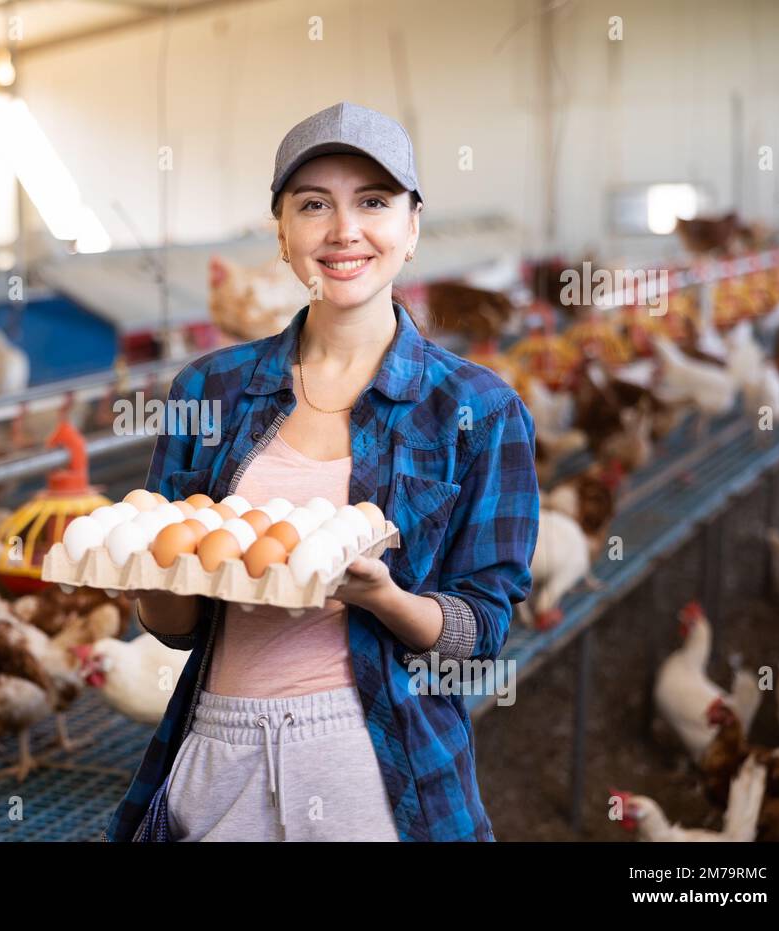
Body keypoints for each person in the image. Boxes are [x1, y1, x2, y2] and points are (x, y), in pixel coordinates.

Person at [104, 101, 539, 842]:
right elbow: (175, 629)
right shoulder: (209, 391)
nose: (344, 230)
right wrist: (152, 567)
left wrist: (387, 598)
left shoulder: (478, 409)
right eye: (314, 205)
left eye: (373, 201)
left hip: (373, 764)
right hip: (220, 751)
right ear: (282, 233)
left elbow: (483, 627)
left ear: (412, 227)